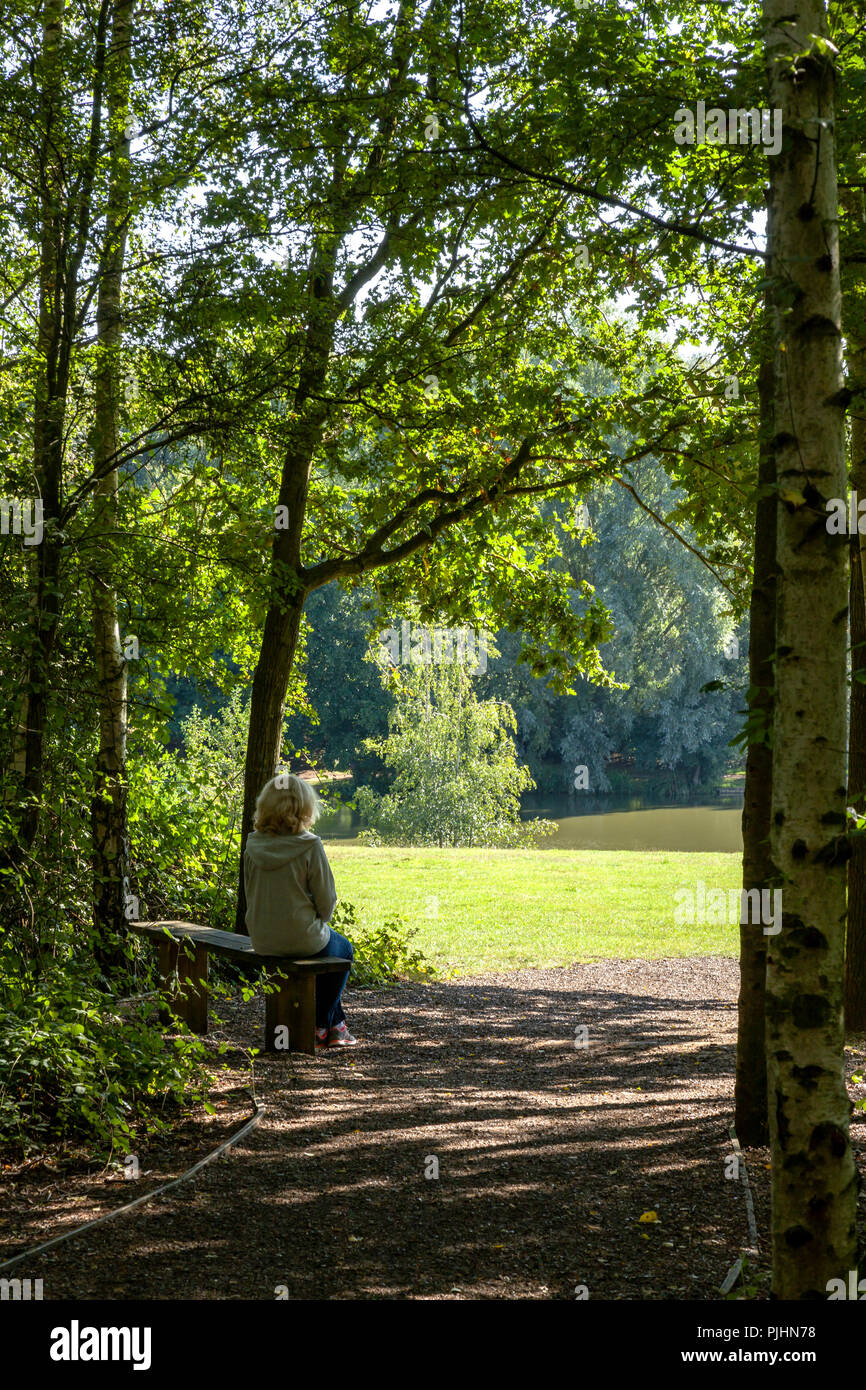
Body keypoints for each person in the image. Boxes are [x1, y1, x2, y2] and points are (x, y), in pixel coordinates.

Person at [243, 773, 357, 1047]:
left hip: (263, 940)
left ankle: (337, 1027)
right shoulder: (309, 845)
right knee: (344, 951)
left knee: (327, 953)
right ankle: (320, 1025)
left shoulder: (253, 844)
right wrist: (320, 921)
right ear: (305, 807)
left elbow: (250, 892)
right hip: (304, 939)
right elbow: (327, 900)